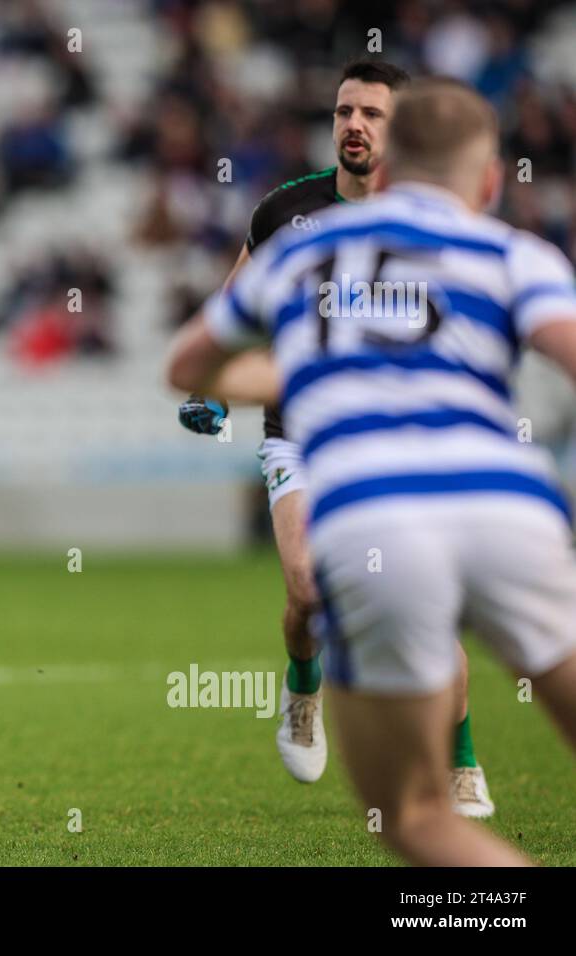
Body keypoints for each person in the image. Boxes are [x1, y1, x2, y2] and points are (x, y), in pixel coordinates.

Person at [167, 78, 576, 865]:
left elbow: (194, 360)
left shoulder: (308, 252)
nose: (354, 126)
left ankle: (457, 765)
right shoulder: (513, 249)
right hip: (504, 499)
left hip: (369, 498)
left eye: (372, 115)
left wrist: (300, 375)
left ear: (395, 154)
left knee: (411, 819)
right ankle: (306, 689)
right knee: (309, 594)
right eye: (344, 112)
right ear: (488, 183)